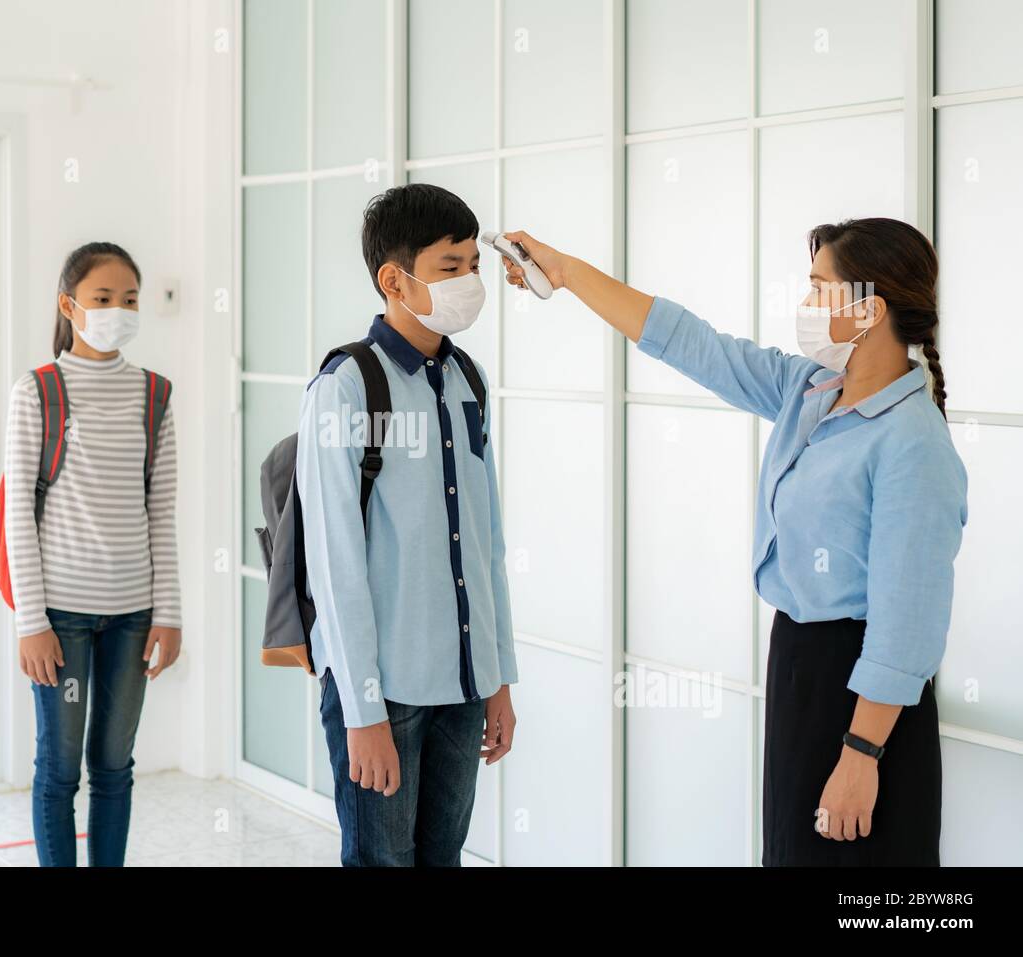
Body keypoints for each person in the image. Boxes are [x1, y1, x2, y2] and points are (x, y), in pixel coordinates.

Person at [500, 218, 967, 866]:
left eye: (818, 288)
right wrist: (567, 271)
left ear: (869, 310)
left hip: (864, 694)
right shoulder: (810, 390)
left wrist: (861, 755)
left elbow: (907, 626)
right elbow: (691, 343)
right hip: (799, 663)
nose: (804, 305)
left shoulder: (912, 441)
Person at [297, 183, 519, 866]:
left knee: (441, 858)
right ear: (395, 279)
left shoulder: (467, 380)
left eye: (473, 264)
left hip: (461, 685)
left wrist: (498, 674)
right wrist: (363, 712)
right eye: (451, 267)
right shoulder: (347, 386)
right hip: (383, 689)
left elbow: (487, 545)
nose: (471, 281)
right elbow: (334, 562)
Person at [4, 241, 181, 867]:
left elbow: (162, 513)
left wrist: (170, 614)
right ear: (69, 306)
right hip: (61, 618)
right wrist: (32, 624)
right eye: (103, 299)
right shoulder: (38, 392)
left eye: (128, 299)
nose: (118, 310)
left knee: (114, 768)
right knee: (59, 770)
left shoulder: (154, 395)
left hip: (133, 617)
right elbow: (18, 517)